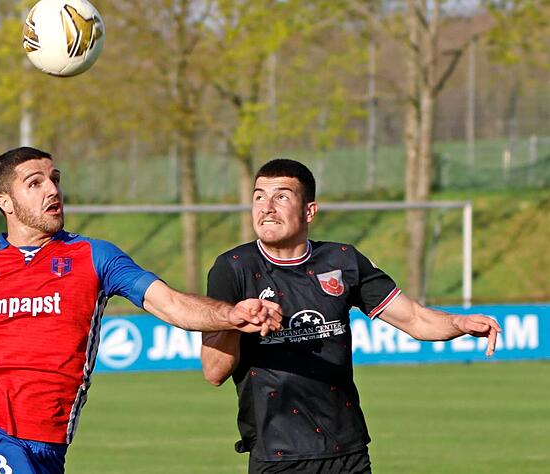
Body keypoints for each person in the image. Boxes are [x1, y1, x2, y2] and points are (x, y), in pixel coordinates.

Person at [0, 146, 282, 474]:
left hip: (48, 448)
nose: (51, 189)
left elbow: (173, 305)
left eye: (54, 179)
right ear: (6, 202)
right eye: (34, 182)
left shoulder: (95, 257)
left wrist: (230, 315)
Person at [200, 158, 502, 474]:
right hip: (277, 455)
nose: (267, 207)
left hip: (348, 452)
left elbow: (413, 318)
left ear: (309, 211)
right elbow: (214, 372)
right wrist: (235, 321)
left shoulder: (342, 261)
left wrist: (459, 323)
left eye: (282, 196)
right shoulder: (233, 267)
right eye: (259, 196)